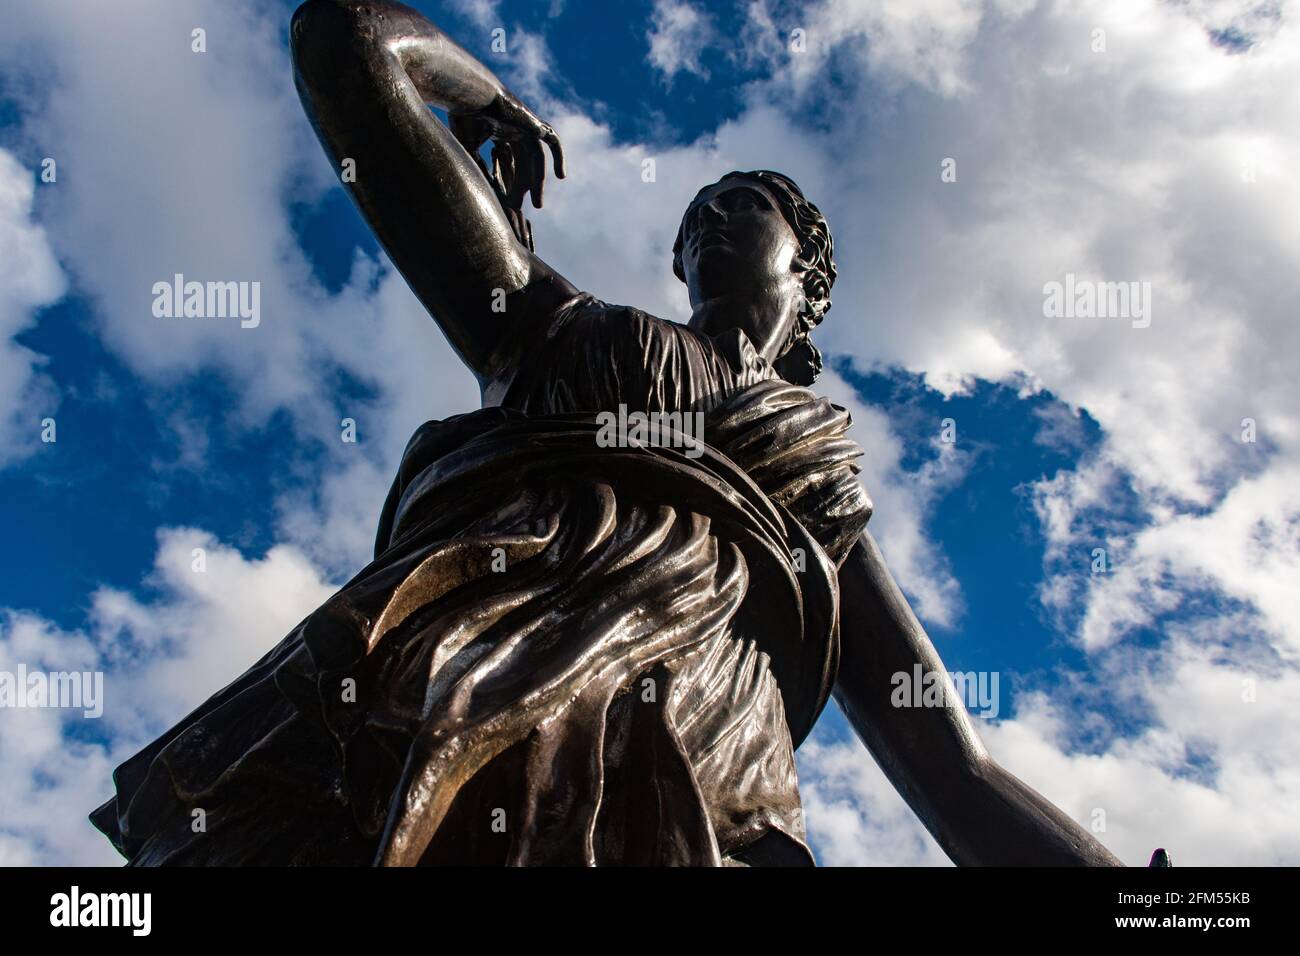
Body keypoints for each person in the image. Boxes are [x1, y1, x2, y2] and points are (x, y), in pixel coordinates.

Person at [90, 0, 1124, 867]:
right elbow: (346, 43)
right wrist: (488, 99)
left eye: (741, 203)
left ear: (807, 276)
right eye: (692, 218)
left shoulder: (816, 489)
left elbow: (952, 767)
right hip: (456, 698)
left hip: (700, 783)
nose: (705, 222)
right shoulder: (561, 335)